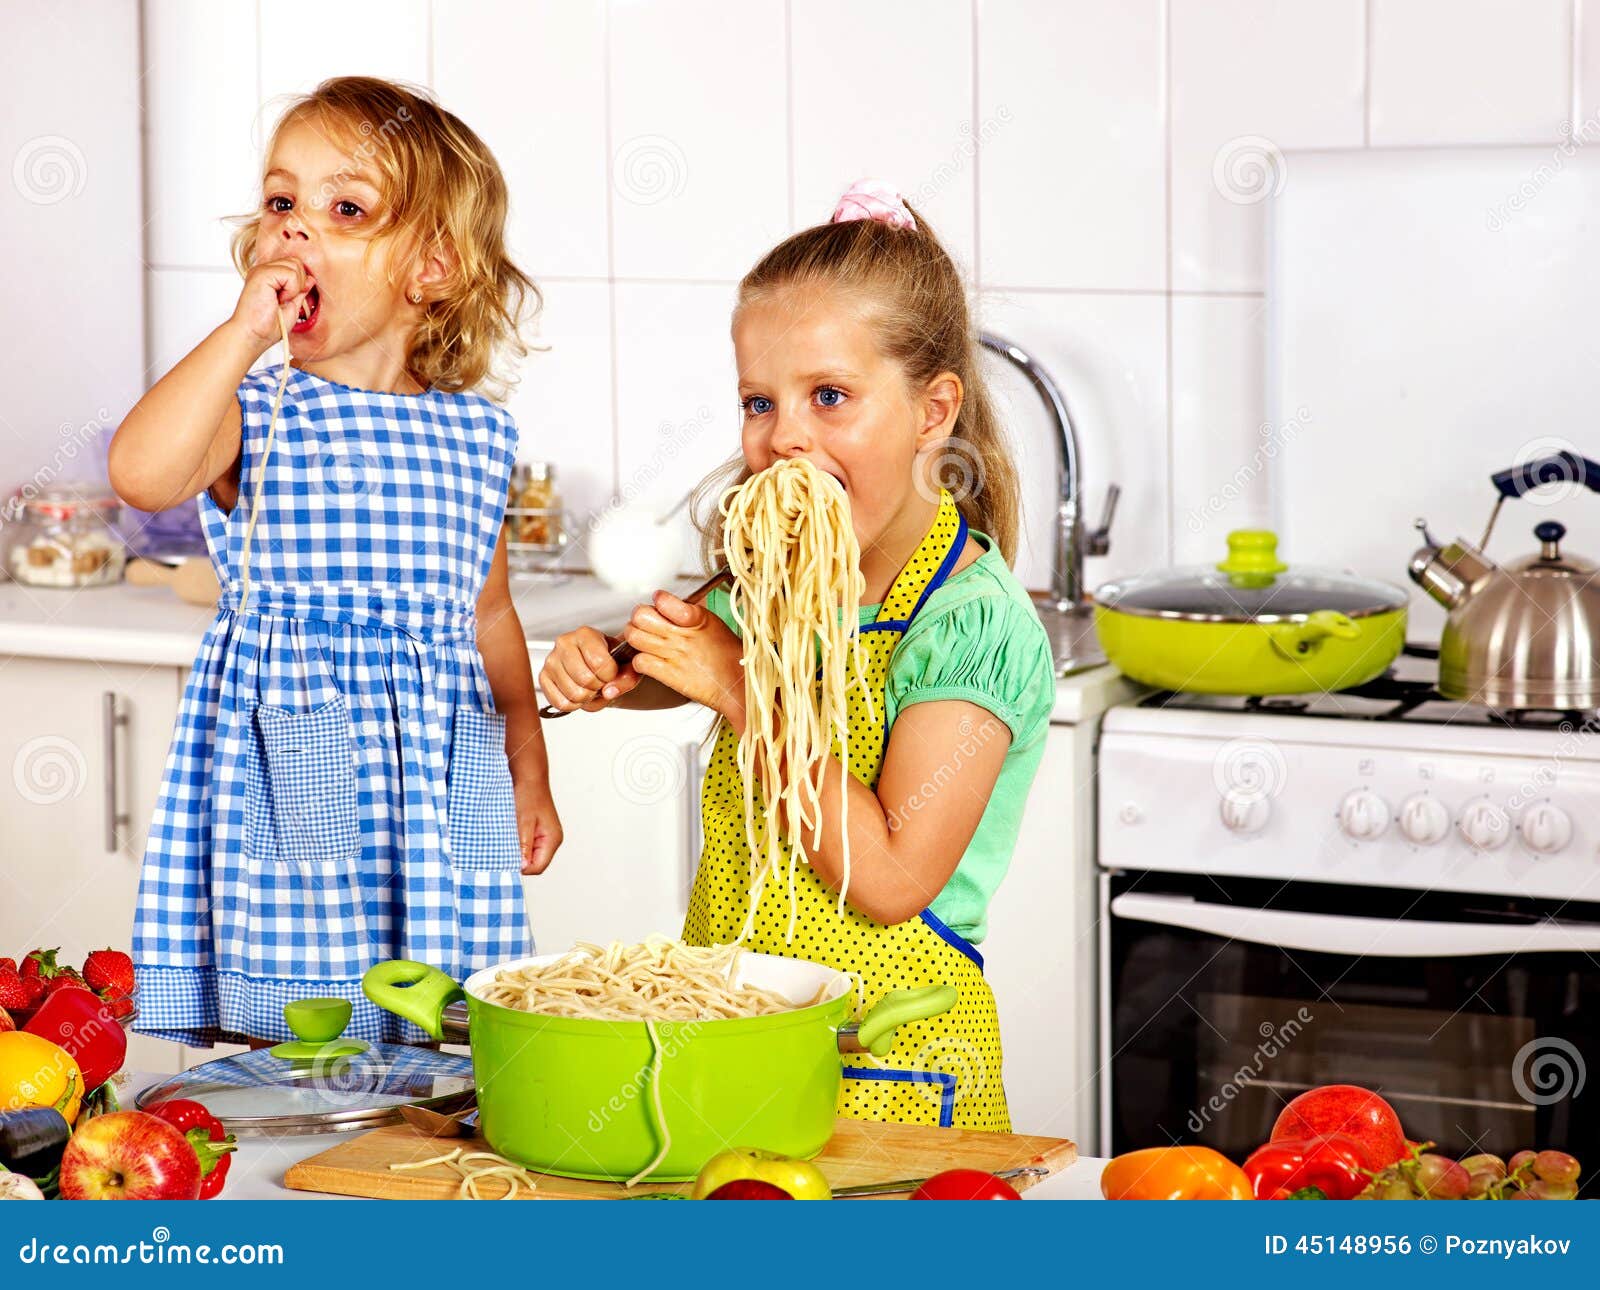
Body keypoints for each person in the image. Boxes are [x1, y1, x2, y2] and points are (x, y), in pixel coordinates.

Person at [540, 179, 1055, 1130]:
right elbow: (691, 652)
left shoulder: (970, 628)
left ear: (933, 411)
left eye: (830, 397)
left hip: (891, 1072)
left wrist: (738, 691)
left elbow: (894, 880)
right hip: (735, 1030)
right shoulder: (780, 573)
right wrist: (614, 672)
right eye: (759, 401)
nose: (785, 438)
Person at [110, 77, 561, 1046]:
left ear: (432, 267)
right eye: (282, 204)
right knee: (310, 1028)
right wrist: (238, 336)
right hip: (301, 763)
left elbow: (488, 616)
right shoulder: (256, 414)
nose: (295, 232)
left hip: (450, 778)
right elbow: (141, 475)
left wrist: (527, 758)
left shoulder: (479, 437)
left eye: (343, 209)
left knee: (446, 1037)